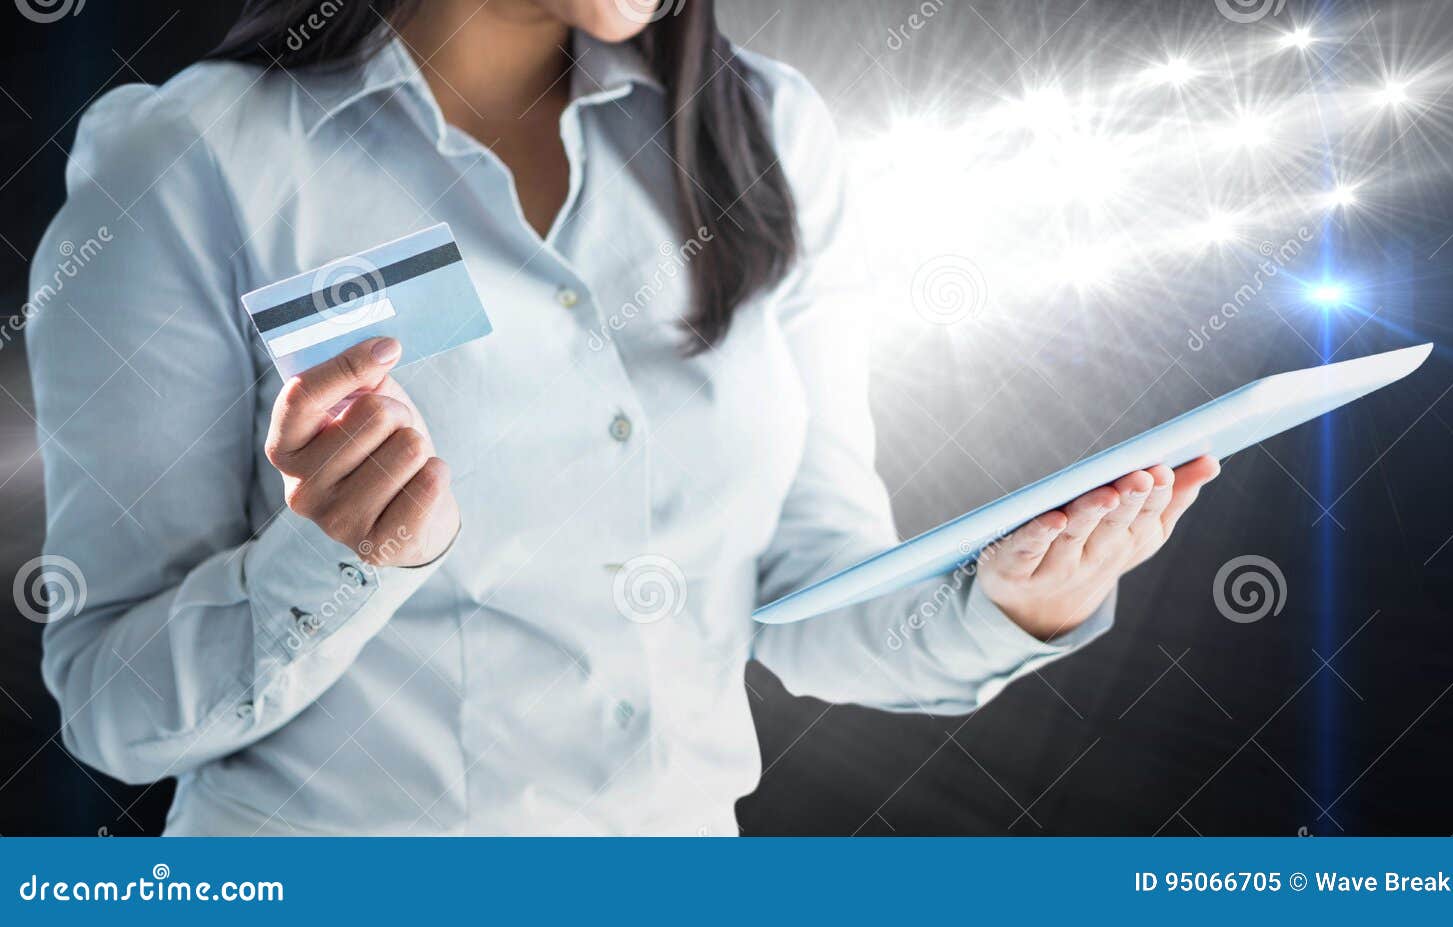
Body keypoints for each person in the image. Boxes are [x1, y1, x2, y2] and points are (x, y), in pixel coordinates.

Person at [28, 0, 1219, 835]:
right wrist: (337, 560)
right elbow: (113, 709)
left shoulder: (769, 136)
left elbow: (807, 594)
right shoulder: (195, 158)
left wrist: (1014, 599)